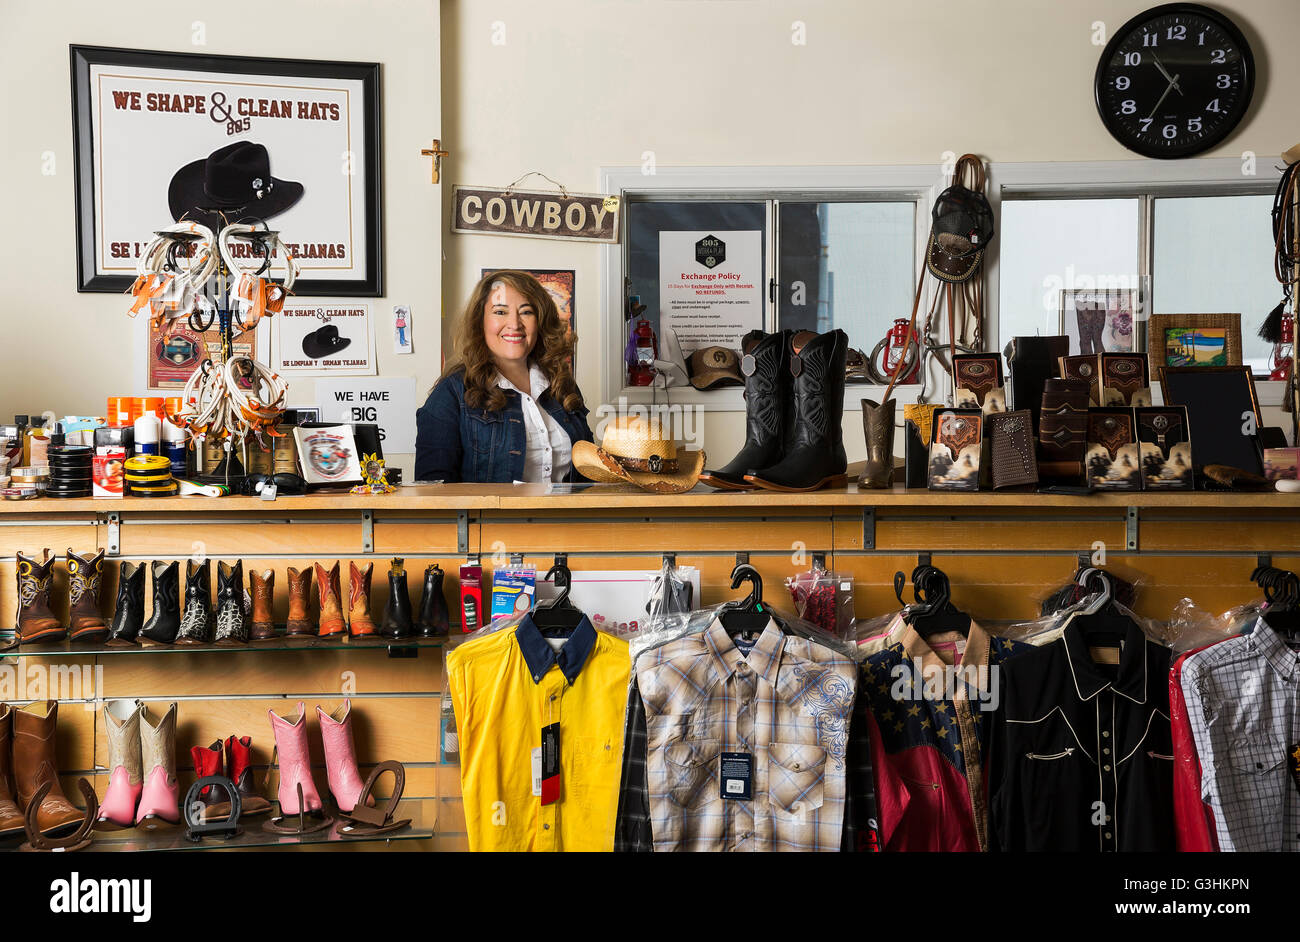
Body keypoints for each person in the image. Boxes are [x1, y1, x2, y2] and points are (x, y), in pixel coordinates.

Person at [415, 270, 592, 482]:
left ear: (540, 321)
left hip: (569, 516)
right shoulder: (451, 393)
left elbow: (590, 471)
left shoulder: (562, 385)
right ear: (480, 321)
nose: (515, 324)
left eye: (526, 312)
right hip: (492, 517)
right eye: (500, 312)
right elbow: (432, 491)